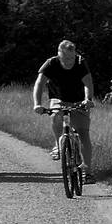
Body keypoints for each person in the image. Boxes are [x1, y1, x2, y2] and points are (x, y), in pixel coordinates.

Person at [32, 40, 96, 183]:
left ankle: (88, 172)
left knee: (83, 133)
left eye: (71, 58)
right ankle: (58, 144)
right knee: (55, 115)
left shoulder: (80, 63)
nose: (69, 61)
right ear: (59, 56)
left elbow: (88, 83)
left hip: (79, 100)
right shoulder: (51, 63)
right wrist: (37, 104)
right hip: (58, 98)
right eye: (66, 58)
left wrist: (88, 99)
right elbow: (39, 83)